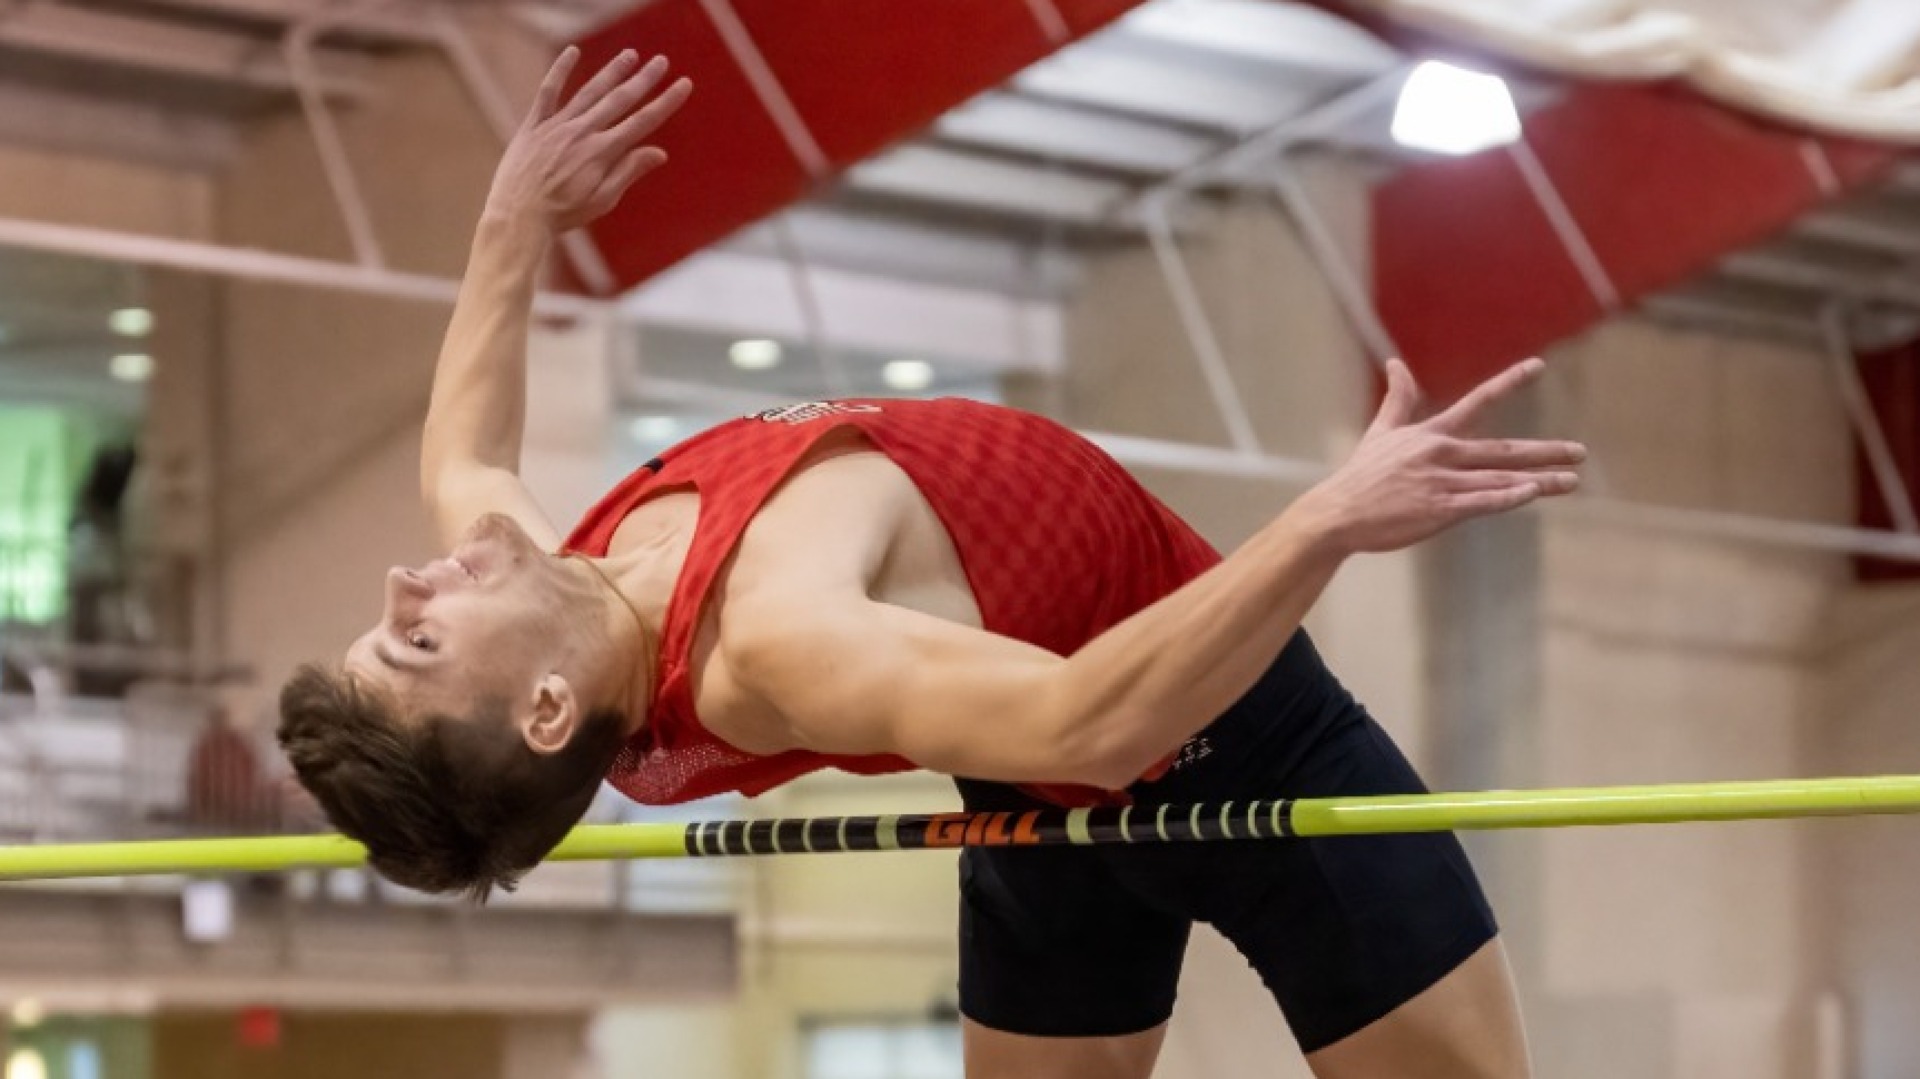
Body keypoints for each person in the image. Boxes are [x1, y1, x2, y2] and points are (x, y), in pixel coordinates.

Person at [278, 46, 1585, 1079]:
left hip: (1037, 800)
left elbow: (464, 452)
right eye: (415, 641)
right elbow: (1091, 725)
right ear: (544, 708)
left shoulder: (584, 580)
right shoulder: (774, 643)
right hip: (1208, 753)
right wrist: (1323, 521)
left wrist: (514, 218)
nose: (409, 586)